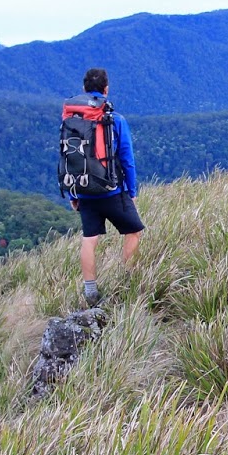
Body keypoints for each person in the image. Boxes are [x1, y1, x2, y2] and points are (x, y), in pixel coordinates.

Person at [68, 67, 141, 306]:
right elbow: (126, 158)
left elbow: (68, 157)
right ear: (106, 89)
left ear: (84, 89)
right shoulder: (115, 119)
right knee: (133, 231)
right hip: (112, 189)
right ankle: (128, 281)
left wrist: (73, 192)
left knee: (89, 238)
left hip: (85, 190)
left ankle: (90, 291)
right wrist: (131, 191)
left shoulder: (72, 120)